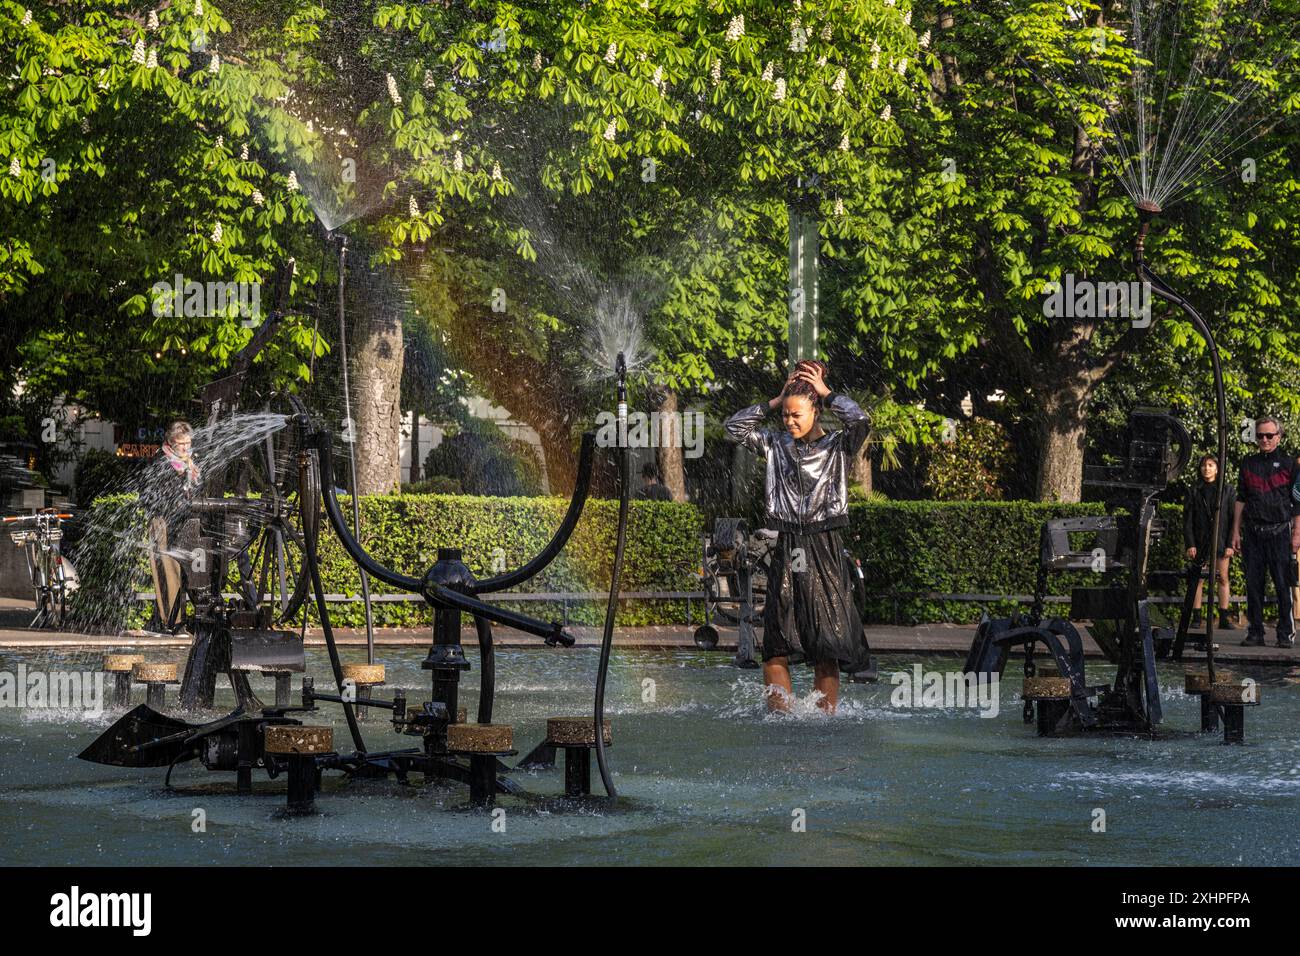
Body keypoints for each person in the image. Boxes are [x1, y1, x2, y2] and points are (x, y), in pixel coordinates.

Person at [724, 360, 871, 714]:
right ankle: (782, 721)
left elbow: (861, 420)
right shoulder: (775, 444)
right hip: (789, 545)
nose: (789, 422)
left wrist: (825, 392)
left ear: (816, 411)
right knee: (776, 643)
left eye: (796, 415)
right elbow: (732, 428)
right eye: (785, 416)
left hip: (824, 545)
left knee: (827, 643)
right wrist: (777, 399)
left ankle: (824, 721)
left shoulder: (837, 445)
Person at [1229, 416, 1300, 648]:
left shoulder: (1290, 464)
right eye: (1260, 435)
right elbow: (1241, 499)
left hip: (1280, 531)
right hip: (1253, 532)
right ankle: (1255, 631)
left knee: (1283, 585)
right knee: (1253, 585)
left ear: (1279, 437)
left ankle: (1285, 633)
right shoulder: (1248, 463)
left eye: (1270, 435)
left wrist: (1297, 533)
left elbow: (1298, 502)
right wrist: (1235, 532)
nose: (1265, 439)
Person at [142, 420, 202, 633]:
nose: (185, 448)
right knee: (167, 569)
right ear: (170, 443)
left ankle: (174, 618)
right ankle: (172, 621)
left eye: (188, 443)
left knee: (190, 570)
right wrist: (173, 501)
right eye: (180, 444)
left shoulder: (191, 462)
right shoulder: (161, 462)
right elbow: (149, 494)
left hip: (185, 520)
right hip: (163, 521)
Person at [1182, 454, 1236, 630]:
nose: (1207, 468)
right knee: (1198, 580)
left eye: (1211, 465)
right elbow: (1188, 520)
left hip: (1220, 541)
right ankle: (1196, 616)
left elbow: (1233, 519)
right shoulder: (1193, 490)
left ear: (1217, 468)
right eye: (1204, 465)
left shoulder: (1227, 490)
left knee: (1223, 578)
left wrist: (1230, 544)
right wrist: (1190, 543)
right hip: (1200, 542)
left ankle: (1224, 617)